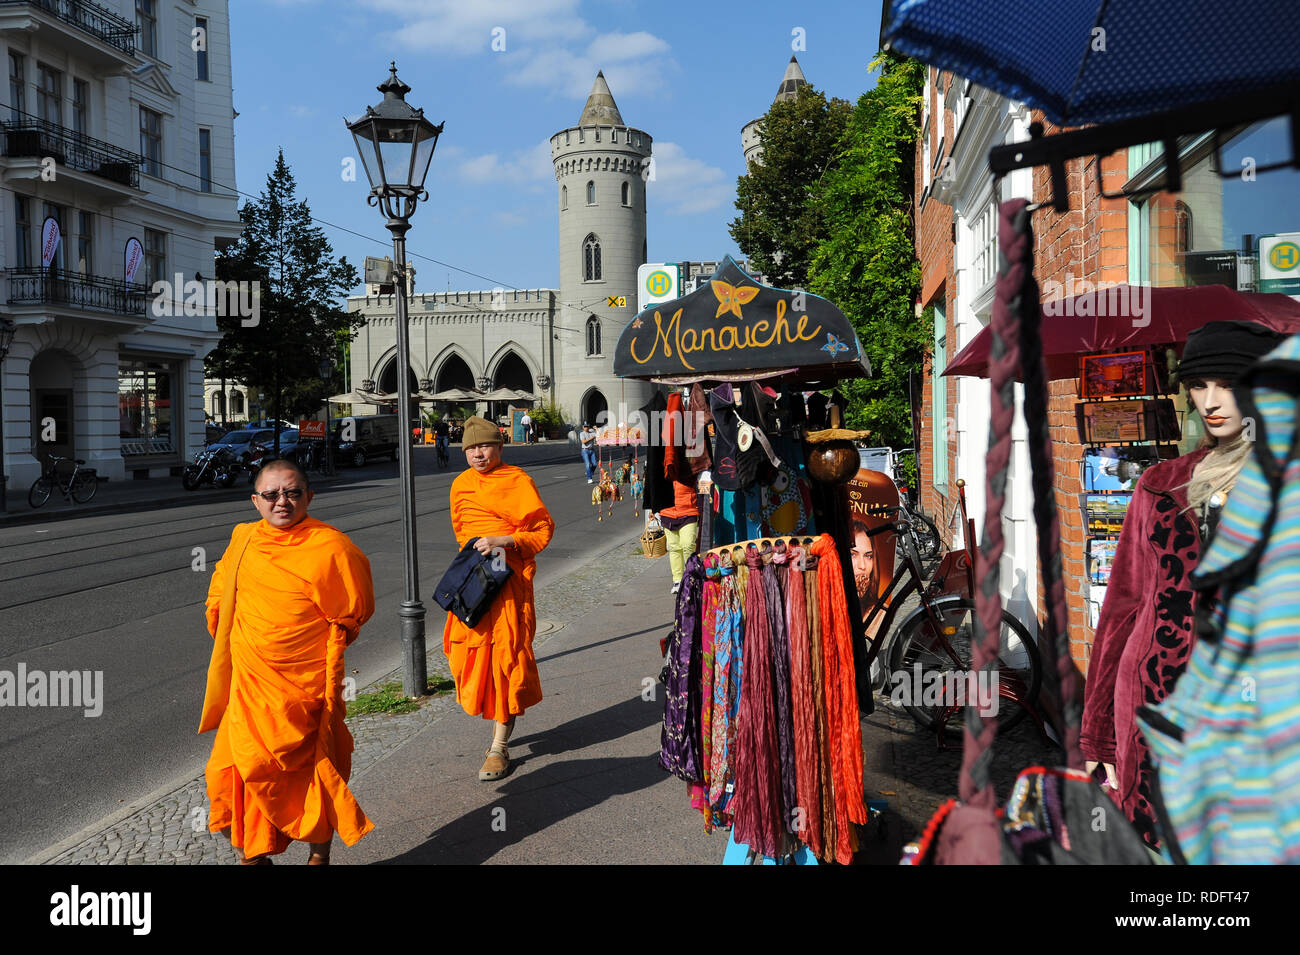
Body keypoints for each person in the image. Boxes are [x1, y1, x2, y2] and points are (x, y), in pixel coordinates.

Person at [1081, 320, 1286, 848]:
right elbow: (1123, 608)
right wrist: (1098, 732)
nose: (1211, 401)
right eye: (1199, 386)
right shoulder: (1160, 483)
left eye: (1229, 383)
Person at [199, 458, 375, 864]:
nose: (283, 501)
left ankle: (319, 855)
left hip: (306, 688)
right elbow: (218, 599)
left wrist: (319, 645)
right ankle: (254, 855)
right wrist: (239, 631)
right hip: (250, 687)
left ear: (309, 498)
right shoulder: (243, 540)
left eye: (293, 493)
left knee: (314, 773)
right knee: (229, 775)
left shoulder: (332, 547)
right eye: (272, 494)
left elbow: (355, 610)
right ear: (255, 501)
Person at [443, 416, 555, 781]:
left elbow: (542, 529)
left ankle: (499, 746)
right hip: (473, 581)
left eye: (484, 446)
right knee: (467, 656)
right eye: (471, 448)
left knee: (506, 660)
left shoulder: (517, 481)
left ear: (500, 447)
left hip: (508, 581)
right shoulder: (460, 484)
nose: (478, 453)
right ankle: (494, 726)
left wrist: (503, 541)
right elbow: (461, 530)